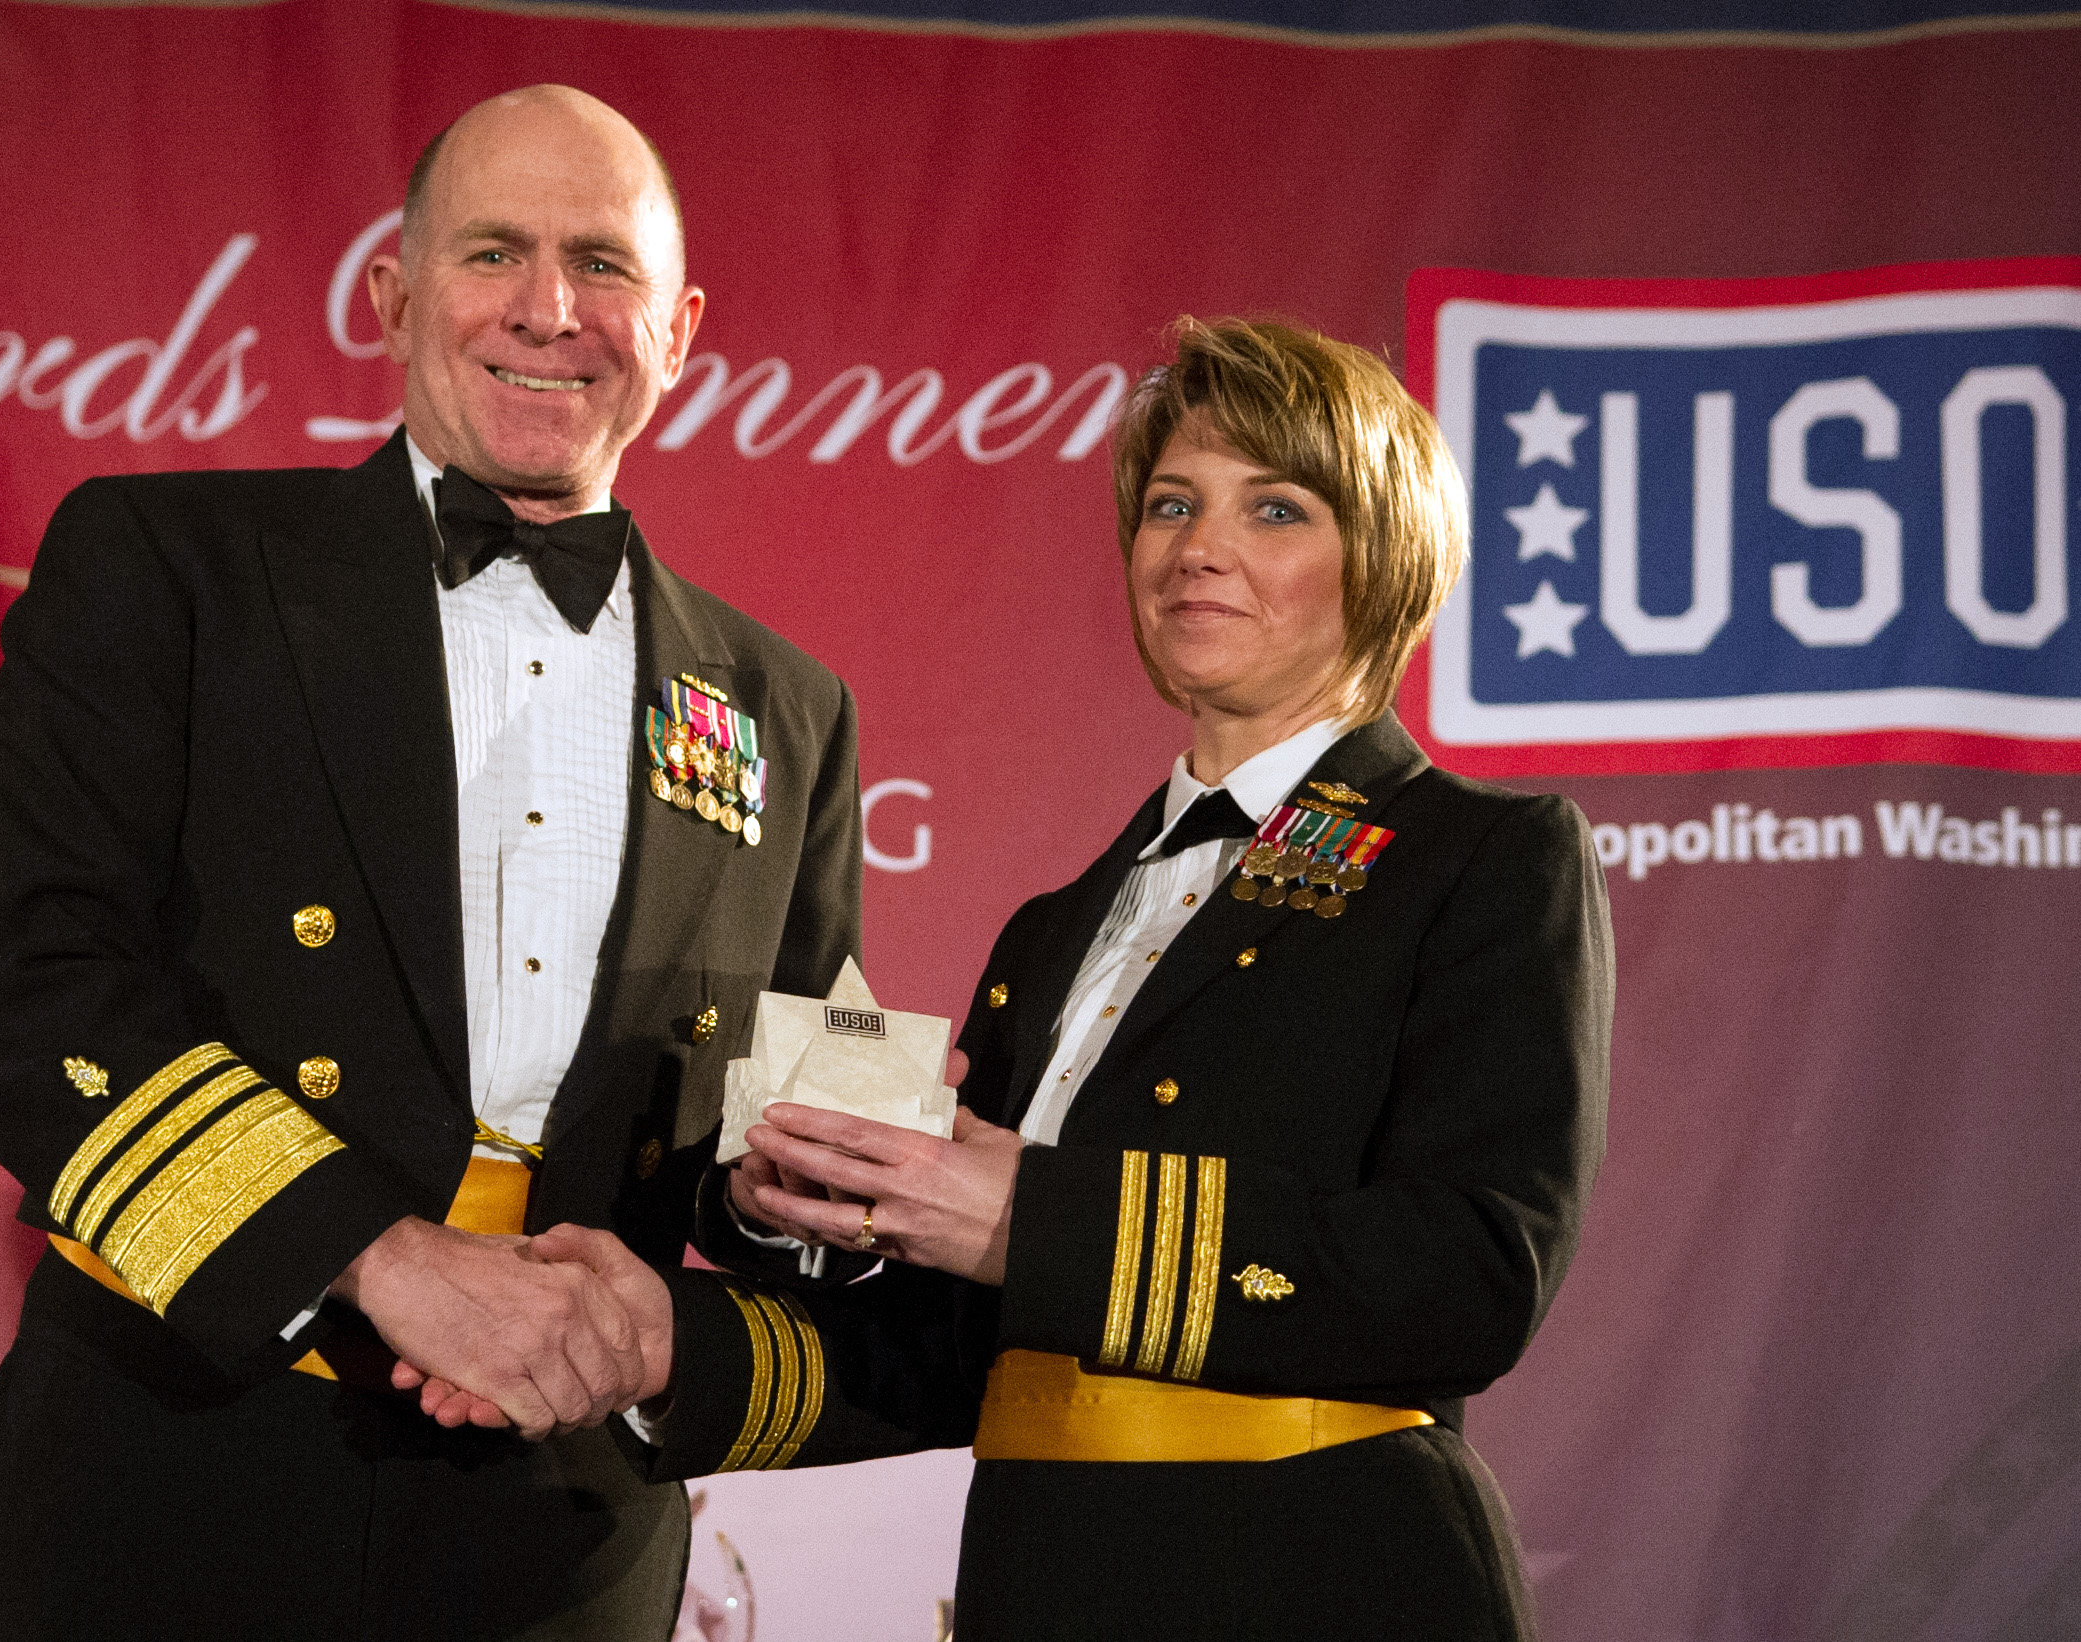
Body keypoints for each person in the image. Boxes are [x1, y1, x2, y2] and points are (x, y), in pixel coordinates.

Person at [0, 85, 863, 1641]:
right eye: (495, 252)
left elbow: (768, 1114)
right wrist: (373, 1254)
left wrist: (810, 1186)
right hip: (175, 1451)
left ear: (679, 327)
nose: (549, 310)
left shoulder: (784, 707)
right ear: (394, 294)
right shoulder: (172, 570)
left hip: (562, 1523)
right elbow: (12, 987)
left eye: (603, 266)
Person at [630, 317, 1613, 1639]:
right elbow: (943, 1357)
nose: (1196, 545)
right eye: (1168, 504)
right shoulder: (1053, 928)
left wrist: (1033, 1216)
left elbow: (1468, 1276)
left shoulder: (1479, 855)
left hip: (1327, 1578)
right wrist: (665, 1341)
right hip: (1041, 1578)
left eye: (1273, 506)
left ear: (1378, 559)